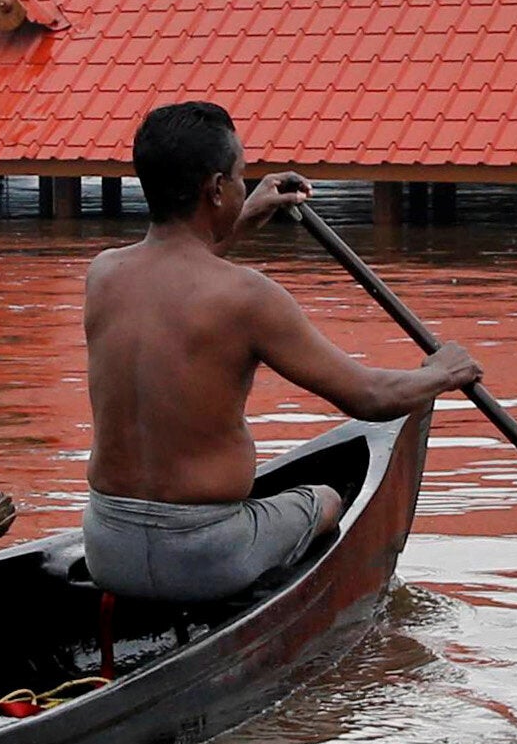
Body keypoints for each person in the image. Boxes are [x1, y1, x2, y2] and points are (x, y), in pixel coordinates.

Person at [82, 100, 480, 603]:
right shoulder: (249, 297)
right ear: (216, 189)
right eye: (240, 177)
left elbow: (178, 274)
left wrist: (246, 215)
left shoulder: (104, 274)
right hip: (203, 555)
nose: (244, 186)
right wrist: (442, 372)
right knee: (326, 500)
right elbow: (371, 397)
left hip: (108, 547)